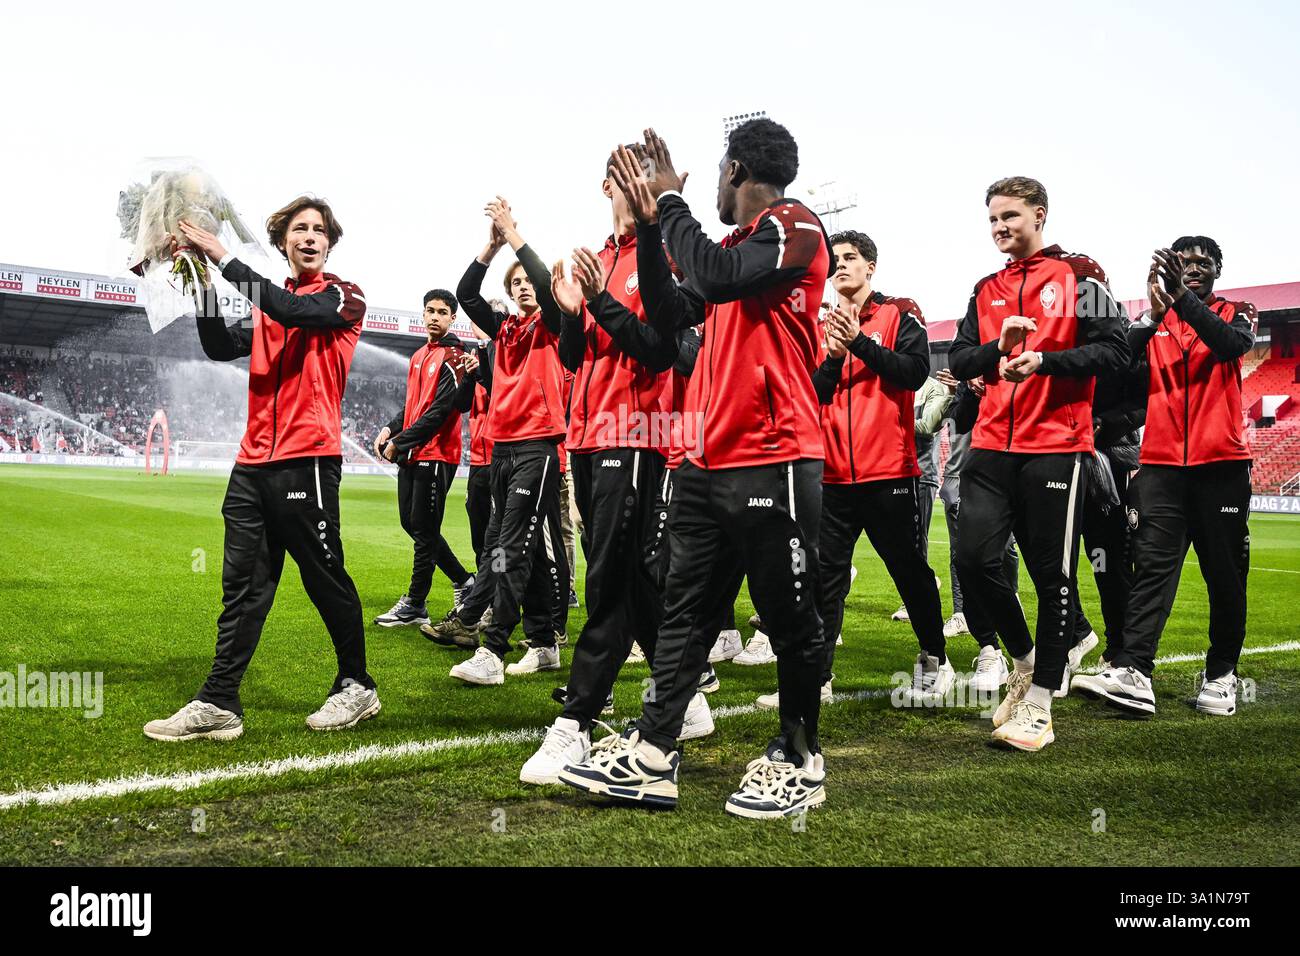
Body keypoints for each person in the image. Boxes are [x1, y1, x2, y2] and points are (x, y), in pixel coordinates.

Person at [559, 121, 831, 818]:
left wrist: (669, 205)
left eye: (716, 172)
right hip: (706, 459)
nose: (708, 185)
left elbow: (713, 275)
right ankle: (653, 752)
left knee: (790, 620)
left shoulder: (794, 225)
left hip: (774, 456)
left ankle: (800, 757)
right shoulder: (734, 244)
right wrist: (653, 228)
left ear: (735, 169)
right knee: (685, 613)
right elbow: (670, 307)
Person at [144, 196, 380, 740]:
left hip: (309, 460)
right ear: (282, 242)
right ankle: (220, 701)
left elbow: (296, 311)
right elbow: (217, 343)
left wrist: (222, 256)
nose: (311, 237)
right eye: (300, 229)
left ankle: (357, 685)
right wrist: (200, 278)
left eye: (320, 230)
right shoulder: (268, 306)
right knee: (243, 586)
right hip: (252, 462)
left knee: (323, 577)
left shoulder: (344, 296)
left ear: (329, 242)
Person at [519, 146, 707, 785]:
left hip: (639, 436)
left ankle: (575, 723)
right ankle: (685, 697)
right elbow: (574, 357)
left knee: (606, 585)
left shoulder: (667, 256)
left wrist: (598, 303)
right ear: (608, 184)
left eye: (649, 175)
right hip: (590, 437)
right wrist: (568, 309)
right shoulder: (595, 258)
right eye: (630, 176)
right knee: (632, 580)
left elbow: (660, 352)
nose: (641, 185)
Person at [948, 175, 1128, 752]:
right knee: (975, 561)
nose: (1000, 228)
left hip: (1056, 447)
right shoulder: (984, 286)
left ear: (1040, 215)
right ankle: (1024, 660)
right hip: (990, 446)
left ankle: (1042, 703)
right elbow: (960, 355)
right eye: (993, 219)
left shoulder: (1083, 274)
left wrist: (1045, 361)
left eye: (1010, 216)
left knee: (1054, 576)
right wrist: (997, 350)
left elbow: (1118, 350)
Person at [760, 229, 948, 708]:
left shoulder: (900, 313)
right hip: (831, 477)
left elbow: (914, 372)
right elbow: (808, 395)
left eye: (849, 258)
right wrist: (834, 357)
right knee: (824, 579)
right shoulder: (815, 325)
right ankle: (817, 678)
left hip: (889, 473)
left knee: (910, 573)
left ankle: (935, 659)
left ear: (871, 267)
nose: (839, 265)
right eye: (834, 259)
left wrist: (860, 343)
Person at [1073, 237, 1255, 717]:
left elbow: (1229, 344)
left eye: (1202, 263)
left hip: (1221, 468)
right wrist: (1153, 316)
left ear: (1218, 268)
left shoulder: (1238, 312)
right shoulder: (1158, 323)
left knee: (1225, 574)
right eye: (1183, 263)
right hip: (1159, 467)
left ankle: (1221, 676)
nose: (1193, 268)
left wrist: (1181, 297)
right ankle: (1134, 671)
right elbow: (1114, 372)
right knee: (1152, 570)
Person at [426, 199, 571, 682]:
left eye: (528, 282)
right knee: (507, 547)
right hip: (502, 449)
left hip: (538, 448)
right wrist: (488, 248)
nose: (524, 288)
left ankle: (491, 650)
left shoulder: (553, 324)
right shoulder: (504, 329)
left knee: (512, 546)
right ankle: (546, 641)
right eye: (516, 285)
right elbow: (467, 294)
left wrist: (512, 234)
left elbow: (550, 287)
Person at [372, 289, 477, 628]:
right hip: (414, 452)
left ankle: (416, 603)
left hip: (436, 453)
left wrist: (401, 443)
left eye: (442, 312)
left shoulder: (454, 358)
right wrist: (390, 429)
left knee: (425, 528)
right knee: (413, 524)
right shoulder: (419, 355)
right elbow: (413, 406)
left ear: (452, 318)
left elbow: (442, 411)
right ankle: (464, 580)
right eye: (430, 310)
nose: (434, 316)